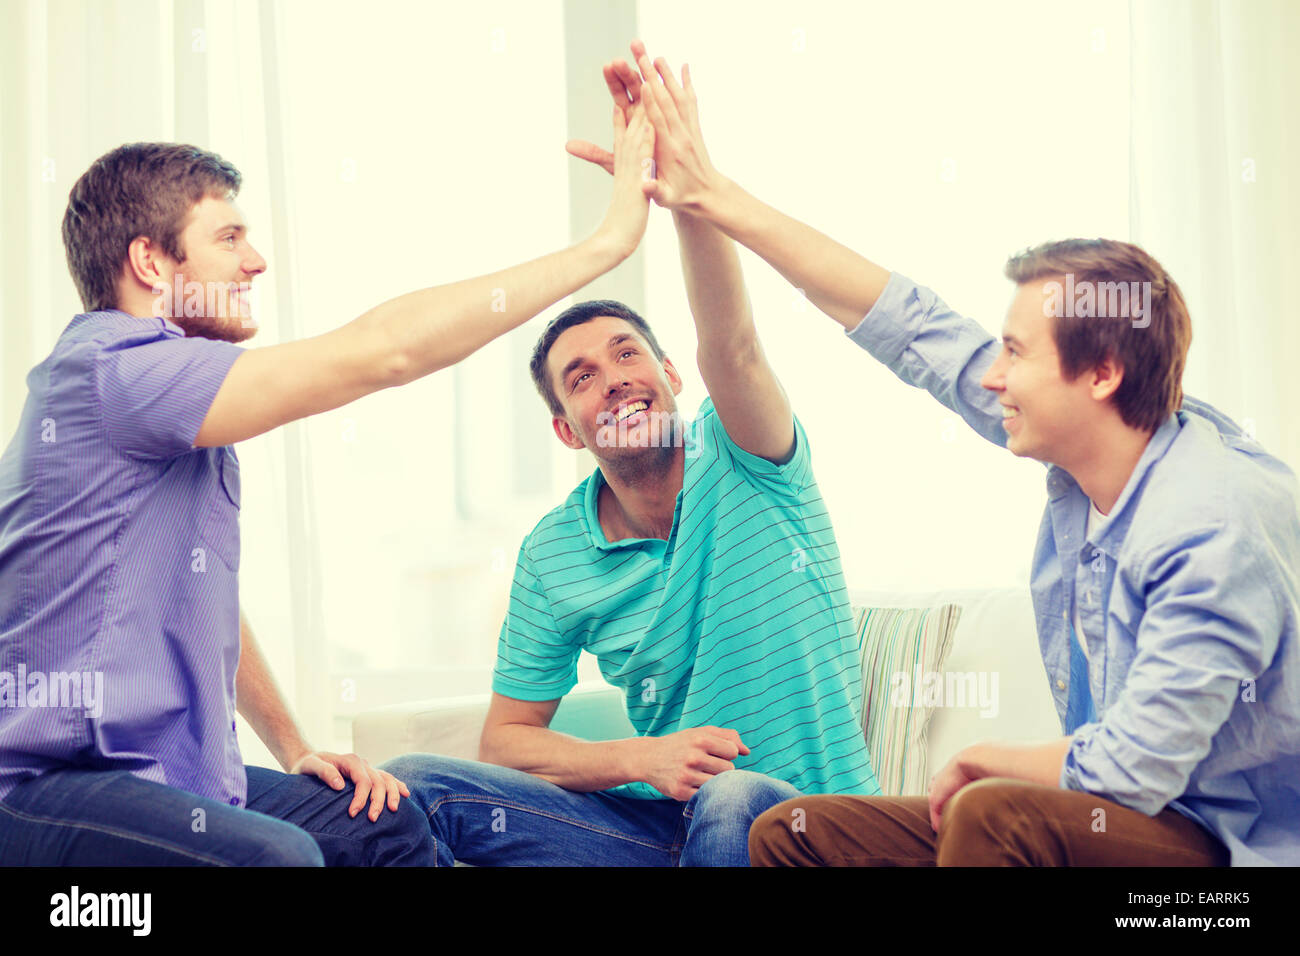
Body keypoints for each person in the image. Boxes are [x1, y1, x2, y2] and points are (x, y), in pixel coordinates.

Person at [589, 41, 1298, 867]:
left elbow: (1134, 772)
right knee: (791, 830)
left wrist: (988, 758)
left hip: (1227, 857)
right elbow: (909, 323)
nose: (990, 375)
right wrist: (708, 198)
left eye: (1016, 354)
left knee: (992, 811)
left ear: (1102, 372)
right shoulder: (1093, 447)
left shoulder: (1208, 522)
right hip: (1119, 820)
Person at [0, 99, 654, 865]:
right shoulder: (116, 371)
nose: (256, 262)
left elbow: (195, 593)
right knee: (280, 860)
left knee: (385, 823)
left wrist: (294, 744)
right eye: (229, 238)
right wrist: (608, 242)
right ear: (151, 263)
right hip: (48, 788)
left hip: (165, 780)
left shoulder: (176, 406)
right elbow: (384, 352)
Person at [381, 57, 880, 867]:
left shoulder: (747, 452)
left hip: (816, 828)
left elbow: (736, 343)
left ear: (672, 376)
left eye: (627, 355)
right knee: (414, 788)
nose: (613, 378)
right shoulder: (555, 553)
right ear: (568, 431)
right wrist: (637, 760)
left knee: (731, 794)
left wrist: (686, 195)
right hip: (662, 829)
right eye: (582, 378)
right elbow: (506, 739)